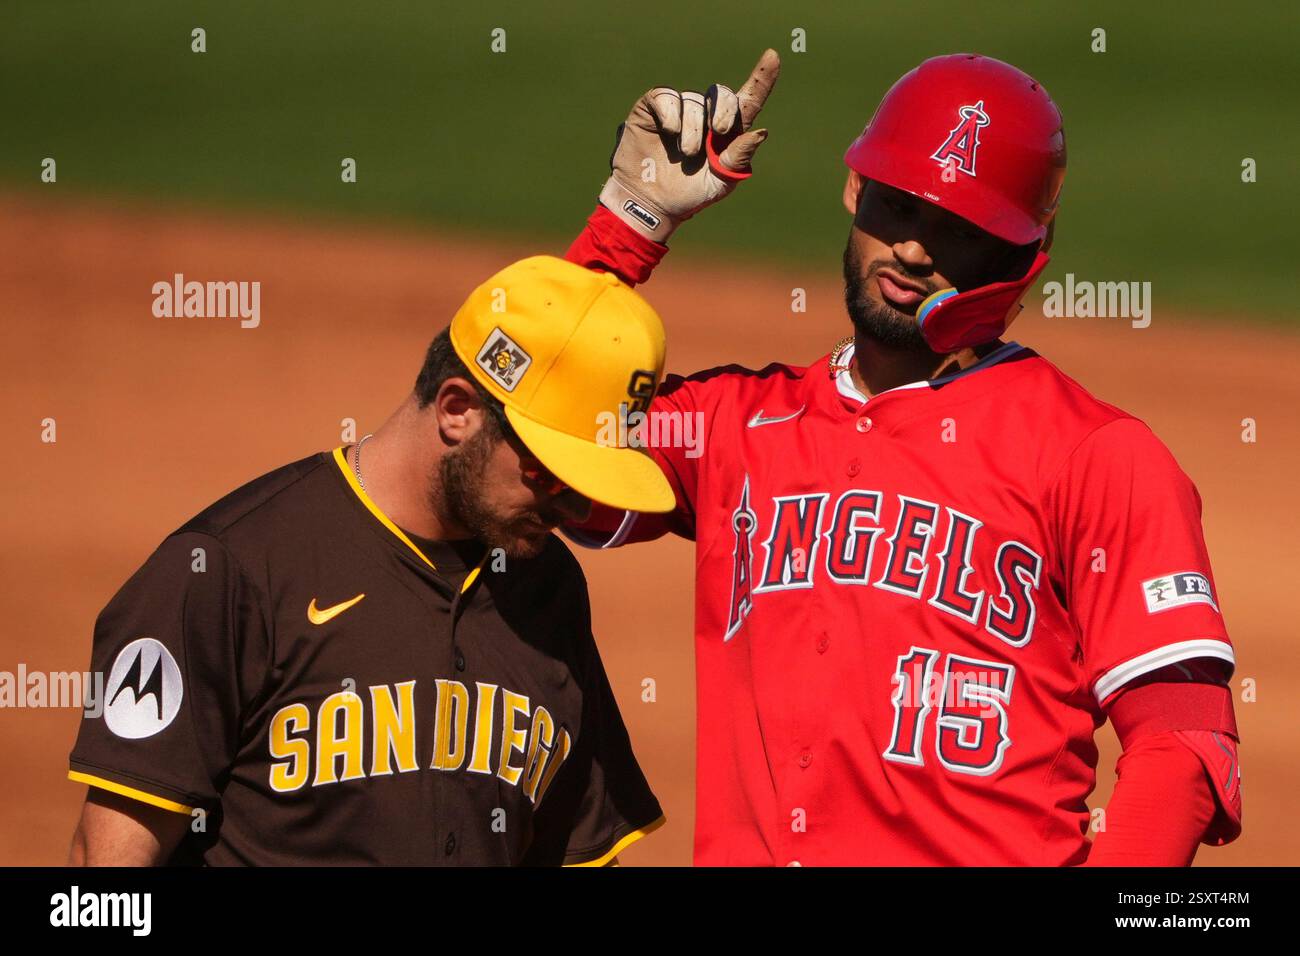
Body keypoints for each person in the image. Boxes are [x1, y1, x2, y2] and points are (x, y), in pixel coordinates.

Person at [561, 50, 1242, 865]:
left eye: (961, 231)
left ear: (1023, 253)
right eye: (899, 208)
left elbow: (1185, 743)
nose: (915, 251)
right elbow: (525, 444)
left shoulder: (1097, 456)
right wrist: (627, 226)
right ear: (855, 192)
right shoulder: (735, 424)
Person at [66, 255, 671, 865]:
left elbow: (577, 851)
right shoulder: (229, 569)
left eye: (589, 484)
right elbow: (108, 863)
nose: (571, 508)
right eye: (553, 474)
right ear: (458, 409)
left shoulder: (547, 583)